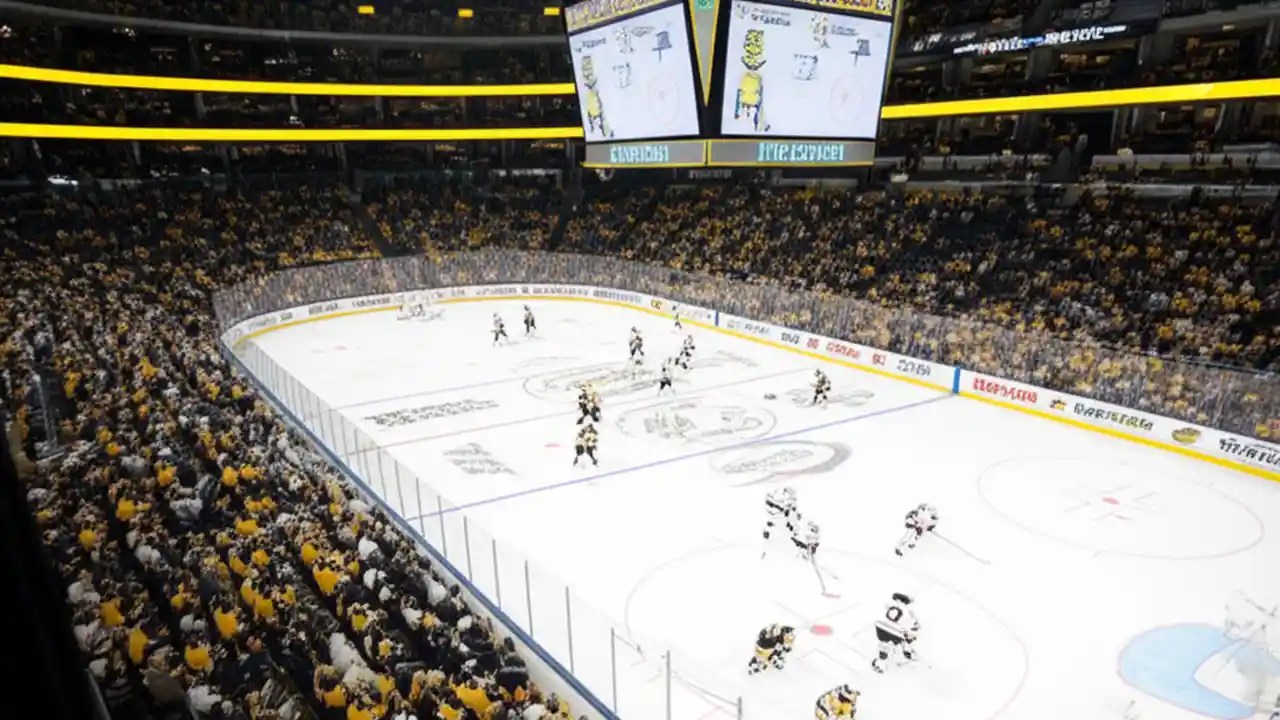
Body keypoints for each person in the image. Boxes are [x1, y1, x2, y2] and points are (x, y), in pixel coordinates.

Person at [872, 592, 919, 674]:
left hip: (882, 628)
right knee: (903, 637)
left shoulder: (890, 604)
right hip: (893, 631)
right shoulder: (908, 610)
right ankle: (907, 652)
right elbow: (913, 624)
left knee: (890, 641)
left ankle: (904, 652)